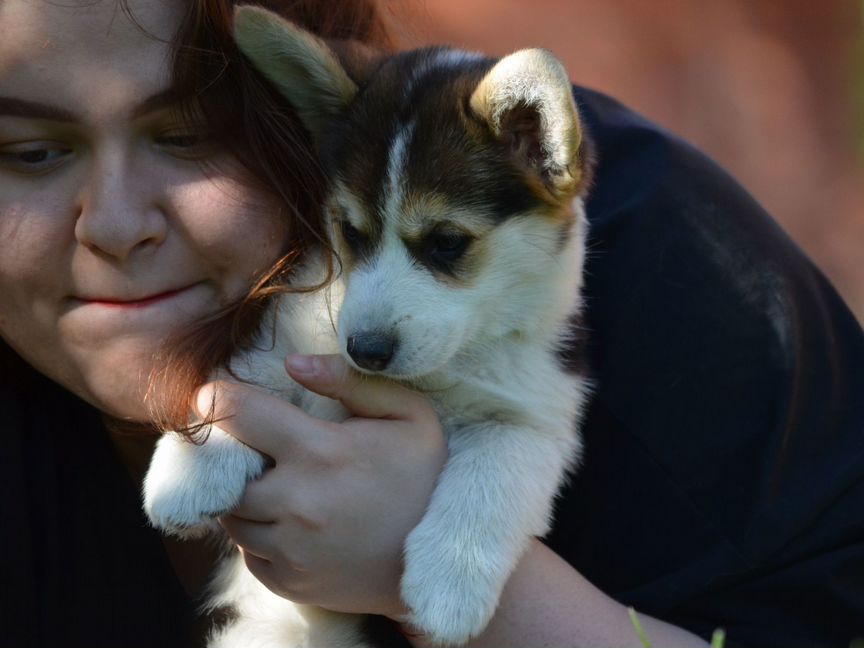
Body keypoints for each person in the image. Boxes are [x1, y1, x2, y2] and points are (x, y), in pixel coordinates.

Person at [1, 1, 862, 647]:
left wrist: (471, 582)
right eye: (27, 150)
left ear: (289, 114)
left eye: (188, 133)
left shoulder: (667, 278)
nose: (114, 225)